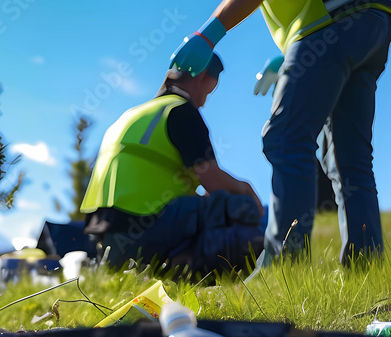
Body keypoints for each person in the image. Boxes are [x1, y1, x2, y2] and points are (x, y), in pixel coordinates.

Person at [169, 0, 391, 268]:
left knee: (285, 136)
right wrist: (293, 52)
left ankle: (282, 266)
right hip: (371, 14)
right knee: (349, 159)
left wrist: (207, 35)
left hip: (331, 15)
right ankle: (366, 268)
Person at [80, 54, 265, 275]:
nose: (205, 100)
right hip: (145, 230)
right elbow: (211, 179)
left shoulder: (133, 115)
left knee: (204, 208)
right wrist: (246, 189)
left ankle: (170, 266)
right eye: (210, 90)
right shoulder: (180, 110)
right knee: (236, 204)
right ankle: (210, 269)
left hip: (107, 242)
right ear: (203, 77)